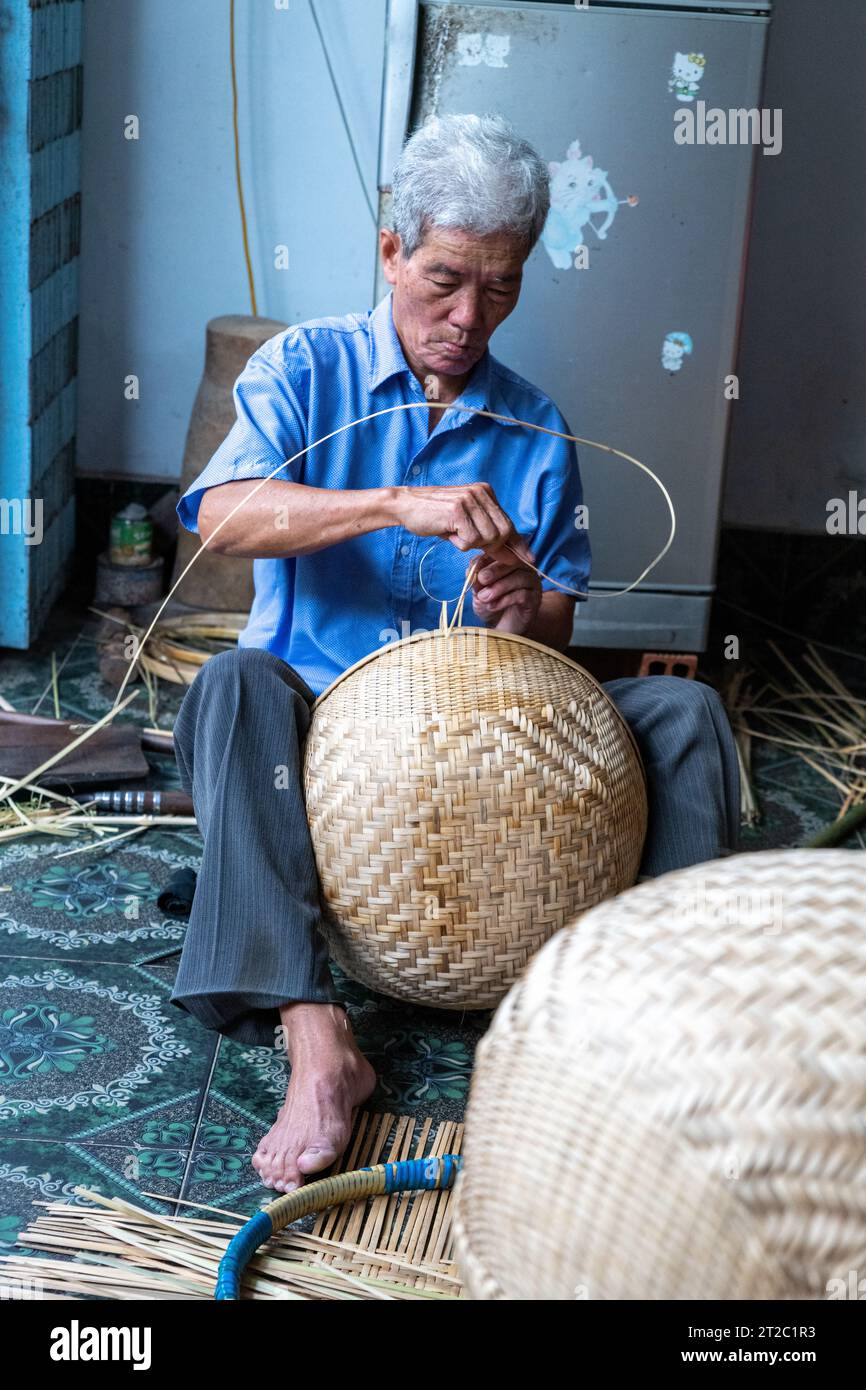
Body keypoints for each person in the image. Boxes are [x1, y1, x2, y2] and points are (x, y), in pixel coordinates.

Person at [170, 113, 740, 1193]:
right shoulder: (306, 368)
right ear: (389, 251)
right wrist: (389, 503)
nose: (466, 317)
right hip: (323, 736)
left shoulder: (535, 427)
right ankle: (314, 1034)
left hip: (491, 749)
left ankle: (653, 1029)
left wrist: (524, 608)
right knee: (233, 687)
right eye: (441, 279)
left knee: (684, 715)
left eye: (501, 287)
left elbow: (556, 632)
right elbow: (222, 514)